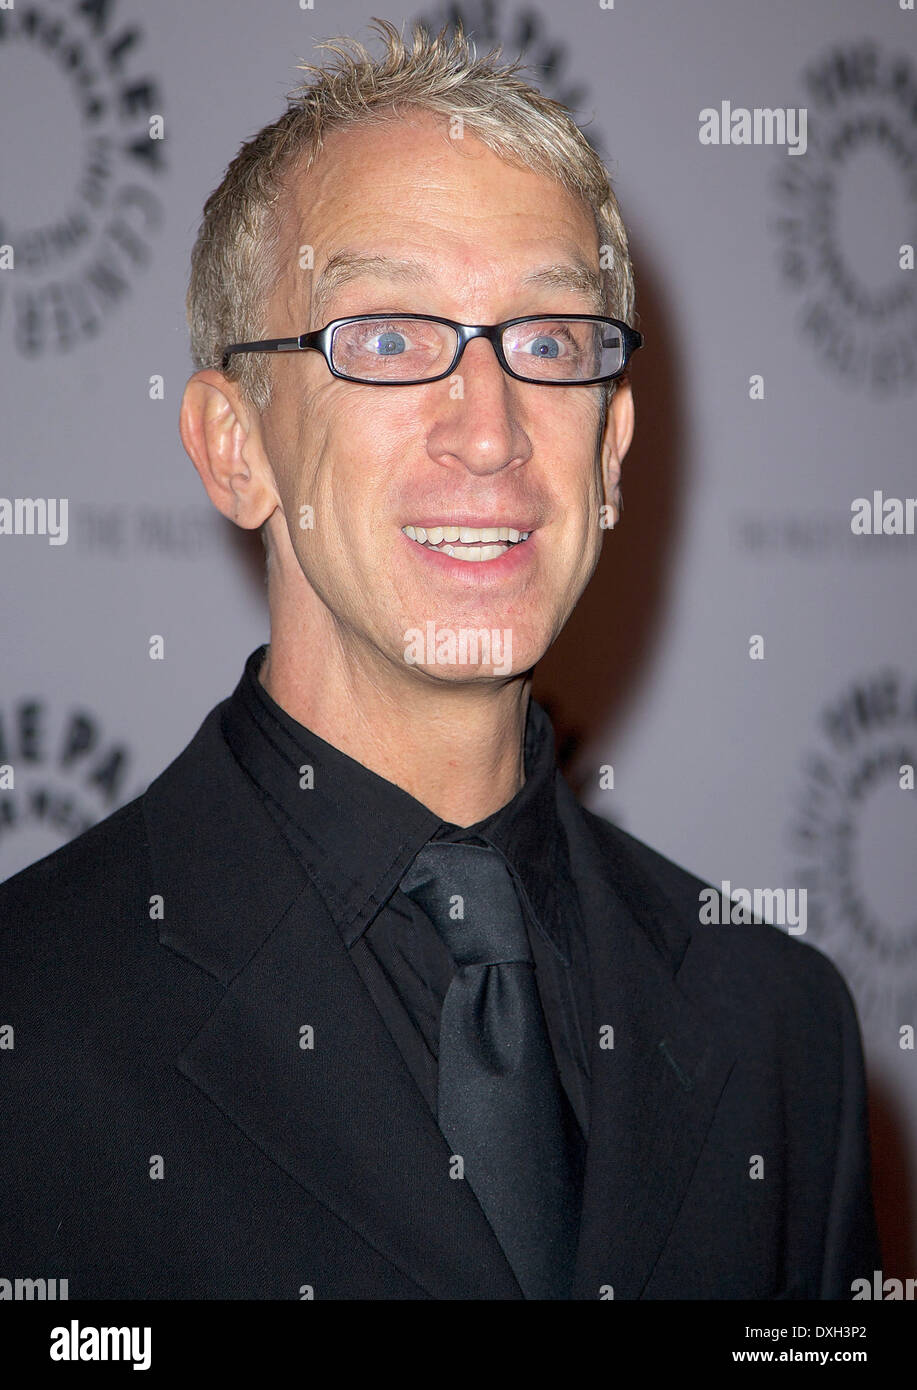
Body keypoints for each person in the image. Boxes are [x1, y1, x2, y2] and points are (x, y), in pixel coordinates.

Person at [0, 18, 879, 1300]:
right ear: (233, 444)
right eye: (390, 338)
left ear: (612, 447)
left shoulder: (779, 1027)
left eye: (546, 342)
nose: (488, 430)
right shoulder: (30, 1020)